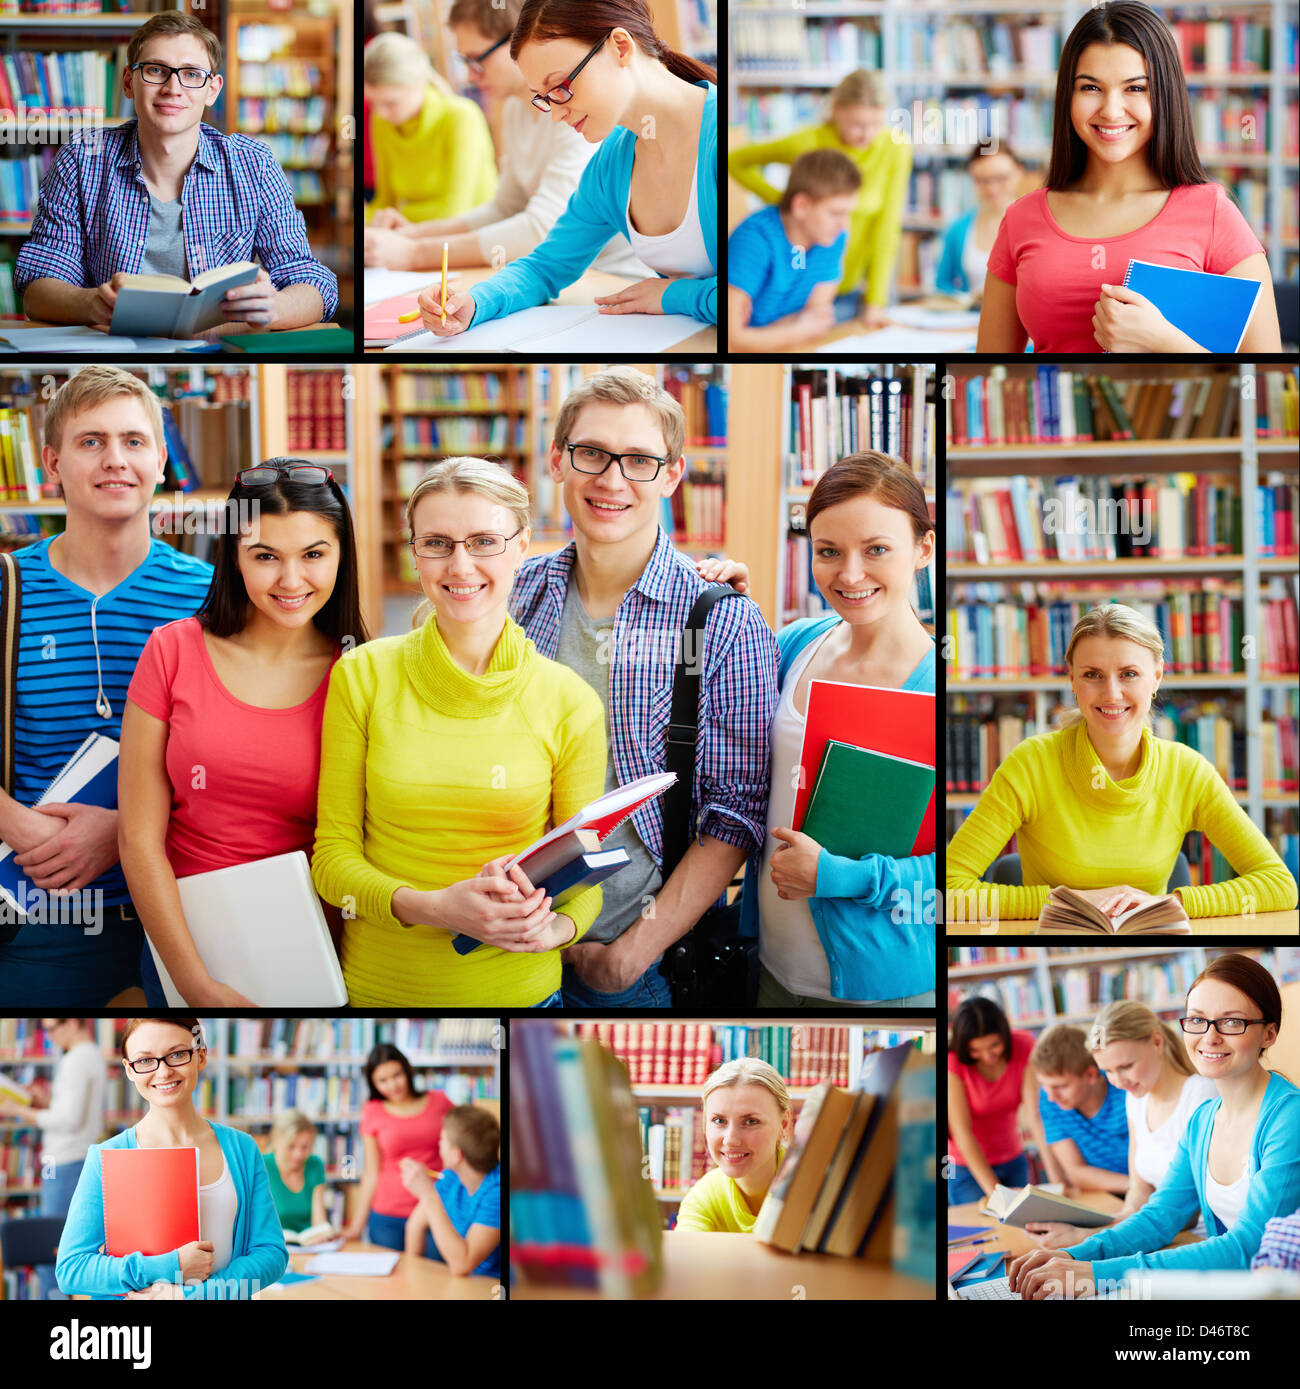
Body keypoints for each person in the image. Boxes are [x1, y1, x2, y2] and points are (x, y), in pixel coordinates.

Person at [509, 367, 778, 1008]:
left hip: (624, 962)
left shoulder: (722, 618)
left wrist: (631, 956)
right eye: (592, 453)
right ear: (557, 462)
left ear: (672, 476)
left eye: (639, 461)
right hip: (509, 942)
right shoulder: (514, 591)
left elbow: (735, 813)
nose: (612, 479)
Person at [312, 458, 607, 1007]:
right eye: (438, 543)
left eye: (484, 541)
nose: (461, 564)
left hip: (523, 996)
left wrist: (557, 932)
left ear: (523, 546)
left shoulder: (570, 702)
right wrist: (435, 907)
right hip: (380, 992)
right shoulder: (362, 675)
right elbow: (332, 861)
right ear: (415, 553)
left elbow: (585, 871)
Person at [119, 460, 367, 1009]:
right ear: (233, 557)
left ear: (342, 555)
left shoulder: (365, 671)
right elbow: (138, 840)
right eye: (265, 557)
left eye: (313, 555)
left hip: (317, 954)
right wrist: (196, 985)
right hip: (183, 947)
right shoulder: (171, 651)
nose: (291, 581)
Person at [0, 367, 212, 1007]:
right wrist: (12, 823)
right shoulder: (6, 588)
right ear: (52, 463)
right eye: (91, 442)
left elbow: (235, 765)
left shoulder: (209, 597)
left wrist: (124, 830)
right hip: (40, 919)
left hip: (187, 909)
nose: (115, 460)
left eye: (134, 441)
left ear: (161, 458)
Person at [947, 602, 1298, 923]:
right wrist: (1067, 901)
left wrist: (1169, 903)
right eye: (1092, 675)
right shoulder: (1030, 764)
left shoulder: (1187, 771)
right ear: (1072, 679)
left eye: (1129, 674)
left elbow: (1280, 885)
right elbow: (948, 893)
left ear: (1156, 677)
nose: (1111, 694)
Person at [739, 454, 934, 1007]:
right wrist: (723, 607)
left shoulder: (936, 689)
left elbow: (958, 878)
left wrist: (839, 876)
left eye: (876, 549)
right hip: (771, 968)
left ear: (923, 549)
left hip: (882, 992)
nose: (849, 575)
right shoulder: (795, 643)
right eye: (828, 552)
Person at [977, 0, 1282, 353]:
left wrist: (1164, 343)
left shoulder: (1213, 212)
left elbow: (1263, 385)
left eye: (1135, 88)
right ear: (1068, 96)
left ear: (1164, 96)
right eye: (1090, 88)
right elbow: (989, 374)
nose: (1111, 110)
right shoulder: (1021, 219)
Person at [15, 11, 337, 335]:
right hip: (111, 350)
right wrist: (91, 303)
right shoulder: (82, 159)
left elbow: (312, 280)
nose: (173, 87)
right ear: (129, 81)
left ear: (212, 90)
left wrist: (274, 308)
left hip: (217, 350)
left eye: (192, 74)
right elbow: (38, 285)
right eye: (156, 70)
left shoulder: (254, 165)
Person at [417, 0, 717, 334]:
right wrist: (474, 303)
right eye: (543, 97)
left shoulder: (724, 138)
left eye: (559, 87)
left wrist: (676, 295)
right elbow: (547, 267)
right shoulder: (612, 164)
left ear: (620, 47)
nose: (557, 114)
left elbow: (760, 293)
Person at [1010, 953, 1300, 1299]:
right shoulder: (1203, 1120)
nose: (1209, 1037)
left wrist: (1099, 1275)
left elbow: (1249, 1247)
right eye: (1197, 1020)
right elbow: (1160, 1215)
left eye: (1232, 1022)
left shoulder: (1288, 1117)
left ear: (1269, 1033)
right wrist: (1074, 1255)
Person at [365, 0, 646, 280]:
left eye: (477, 59)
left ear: (517, 39)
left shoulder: (572, 109)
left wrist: (414, 252)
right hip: (572, 276)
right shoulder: (514, 108)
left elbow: (542, 227)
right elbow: (504, 208)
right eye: (464, 61)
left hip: (613, 277)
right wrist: (413, 234)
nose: (469, 74)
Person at [55, 1017, 287, 1300]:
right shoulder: (106, 1157)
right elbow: (71, 1270)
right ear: (129, 1070)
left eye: (177, 1054)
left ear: (200, 1056)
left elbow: (272, 1253)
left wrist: (195, 1296)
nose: (163, 1072)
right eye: (145, 1061)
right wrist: (171, 1265)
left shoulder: (242, 1149)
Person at [1023, 1000, 1216, 1249]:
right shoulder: (1136, 1099)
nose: (1118, 1081)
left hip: (1198, 1239)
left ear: (1157, 1042)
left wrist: (1090, 1235)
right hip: (1162, 1235)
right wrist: (1113, 1221)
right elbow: (1139, 1188)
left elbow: (1182, 1212)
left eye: (1126, 1066)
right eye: (1109, 1071)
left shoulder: (1201, 1096)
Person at [727, 69, 911, 326]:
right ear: (836, 110)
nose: (866, 134)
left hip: (852, 288)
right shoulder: (807, 141)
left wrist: (875, 301)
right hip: (800, 288)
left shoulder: (896, 148)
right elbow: (736, 161)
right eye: (857, 124)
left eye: (876, 124)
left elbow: (887, 228)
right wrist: (786, 203)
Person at [0, 1019, 104, 1298]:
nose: (49, 1036)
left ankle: (53, 1296)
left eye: (51, 1029)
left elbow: (69, 1121)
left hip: (66, 1162)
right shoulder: (86, 1055)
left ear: (70, 1023)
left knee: (53, 1241)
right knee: (56, 1230)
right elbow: (67, 1112)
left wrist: (18, 1111)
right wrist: (41, 1103)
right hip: (58, 1161)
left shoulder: (78, 1059)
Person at [728, 150, 860, 352]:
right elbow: (732, 339)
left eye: (848, 213)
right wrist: (798, 330)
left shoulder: (833, 238)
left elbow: (818, 319)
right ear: (802, 206)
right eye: (835, 213)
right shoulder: (754, 239)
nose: (844, 225)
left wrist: (765, 335)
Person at [363, 32, 498, 225]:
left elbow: (455, 210)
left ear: (418, 84)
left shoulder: (462, 117)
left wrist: (400, 212)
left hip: (473, 238)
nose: (381, 113)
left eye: (391, 103)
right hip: (414, 235)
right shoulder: (381, 121)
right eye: (373, 103)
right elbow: (385, 201)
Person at [340, 1045, 453, 1251]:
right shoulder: (372, 1111)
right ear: (373, 1084)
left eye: (397, 1075)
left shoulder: (440, 1101)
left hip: (436, 1208)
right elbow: (371, 1172)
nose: (392, 1085)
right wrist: (356, 1226)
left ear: (407, 1070)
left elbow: (458, 1155)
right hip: (387, 1216)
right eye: (382, 1080)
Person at [946, 997, 1045, 1205]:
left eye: (994, 1046)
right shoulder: (952, 1061)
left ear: (1005, 1034)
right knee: (980, 1230)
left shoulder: (1023, 1044)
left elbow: (1035, 1116)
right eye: (975, 1050)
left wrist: (1057, 1177)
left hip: (1013, 1157)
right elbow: (961, 1132)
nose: (987, 1056)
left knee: (1018, 1231)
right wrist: (996, 1194)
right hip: (965, 1167)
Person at [675, 1058, 792, 1232]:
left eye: (751, 1121)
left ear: (783, 1124)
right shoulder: (703, 1198)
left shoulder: (814, 1188)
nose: (730, 1140)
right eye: (719, 1120)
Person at [399, 1103, 501, 1276]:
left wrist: (429, 1195)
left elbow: (462, 1265)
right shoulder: (451, 1177)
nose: (438, 1144)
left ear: (457, 1155)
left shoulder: (497, 1192)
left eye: (443, 1140)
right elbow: (414, 1225)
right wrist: (411, 1277)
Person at [936, 142, 1026, 301]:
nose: (993, 188)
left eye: (1001, 178)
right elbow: (942, 284)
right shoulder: (957, 228)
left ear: (1019, 171)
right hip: (971, 321)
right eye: (982, 180)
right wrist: (965, 298)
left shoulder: (1039, 225)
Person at [264, 1110, 335, 1242]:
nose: (299, 1154)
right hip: (272, 1246)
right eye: (291, 1147)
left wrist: (322, 1235)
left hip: (309, 1246)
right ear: (276, 1141)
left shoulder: (315, 1164)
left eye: (305, 1147)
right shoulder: (262, 1166)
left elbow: (319, 1221)